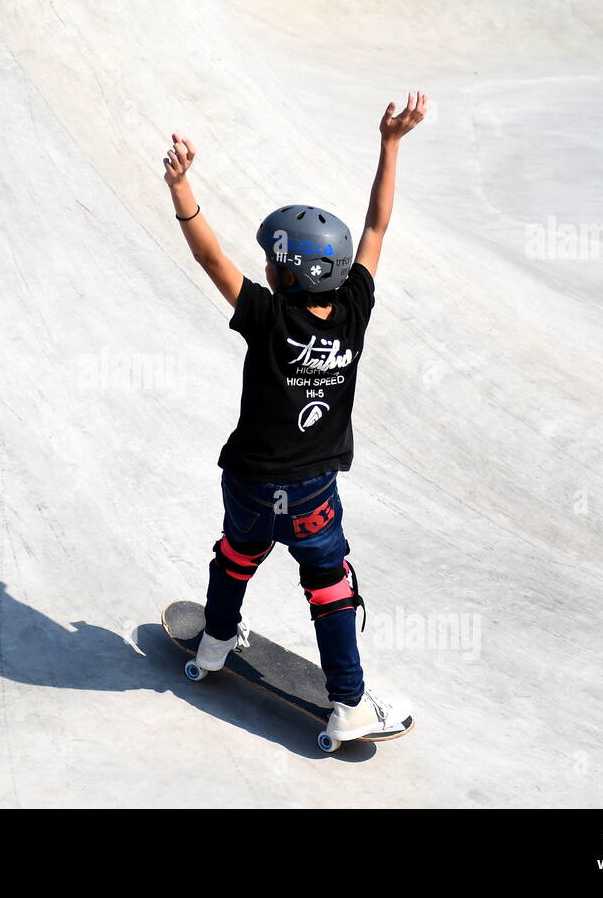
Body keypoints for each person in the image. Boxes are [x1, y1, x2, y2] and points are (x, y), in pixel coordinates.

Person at [161, 92, 426, 741]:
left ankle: (217, 641)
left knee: (236, 553)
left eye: (274, 264)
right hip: (311, 491)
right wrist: (391, 144)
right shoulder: (355, 307)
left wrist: (182, 188)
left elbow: (210, 259)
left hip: (250, 481)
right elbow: (376, 229)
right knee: (328, 583)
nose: (264, 270)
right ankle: (350, 701)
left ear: (286, 277)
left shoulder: (269, 317)